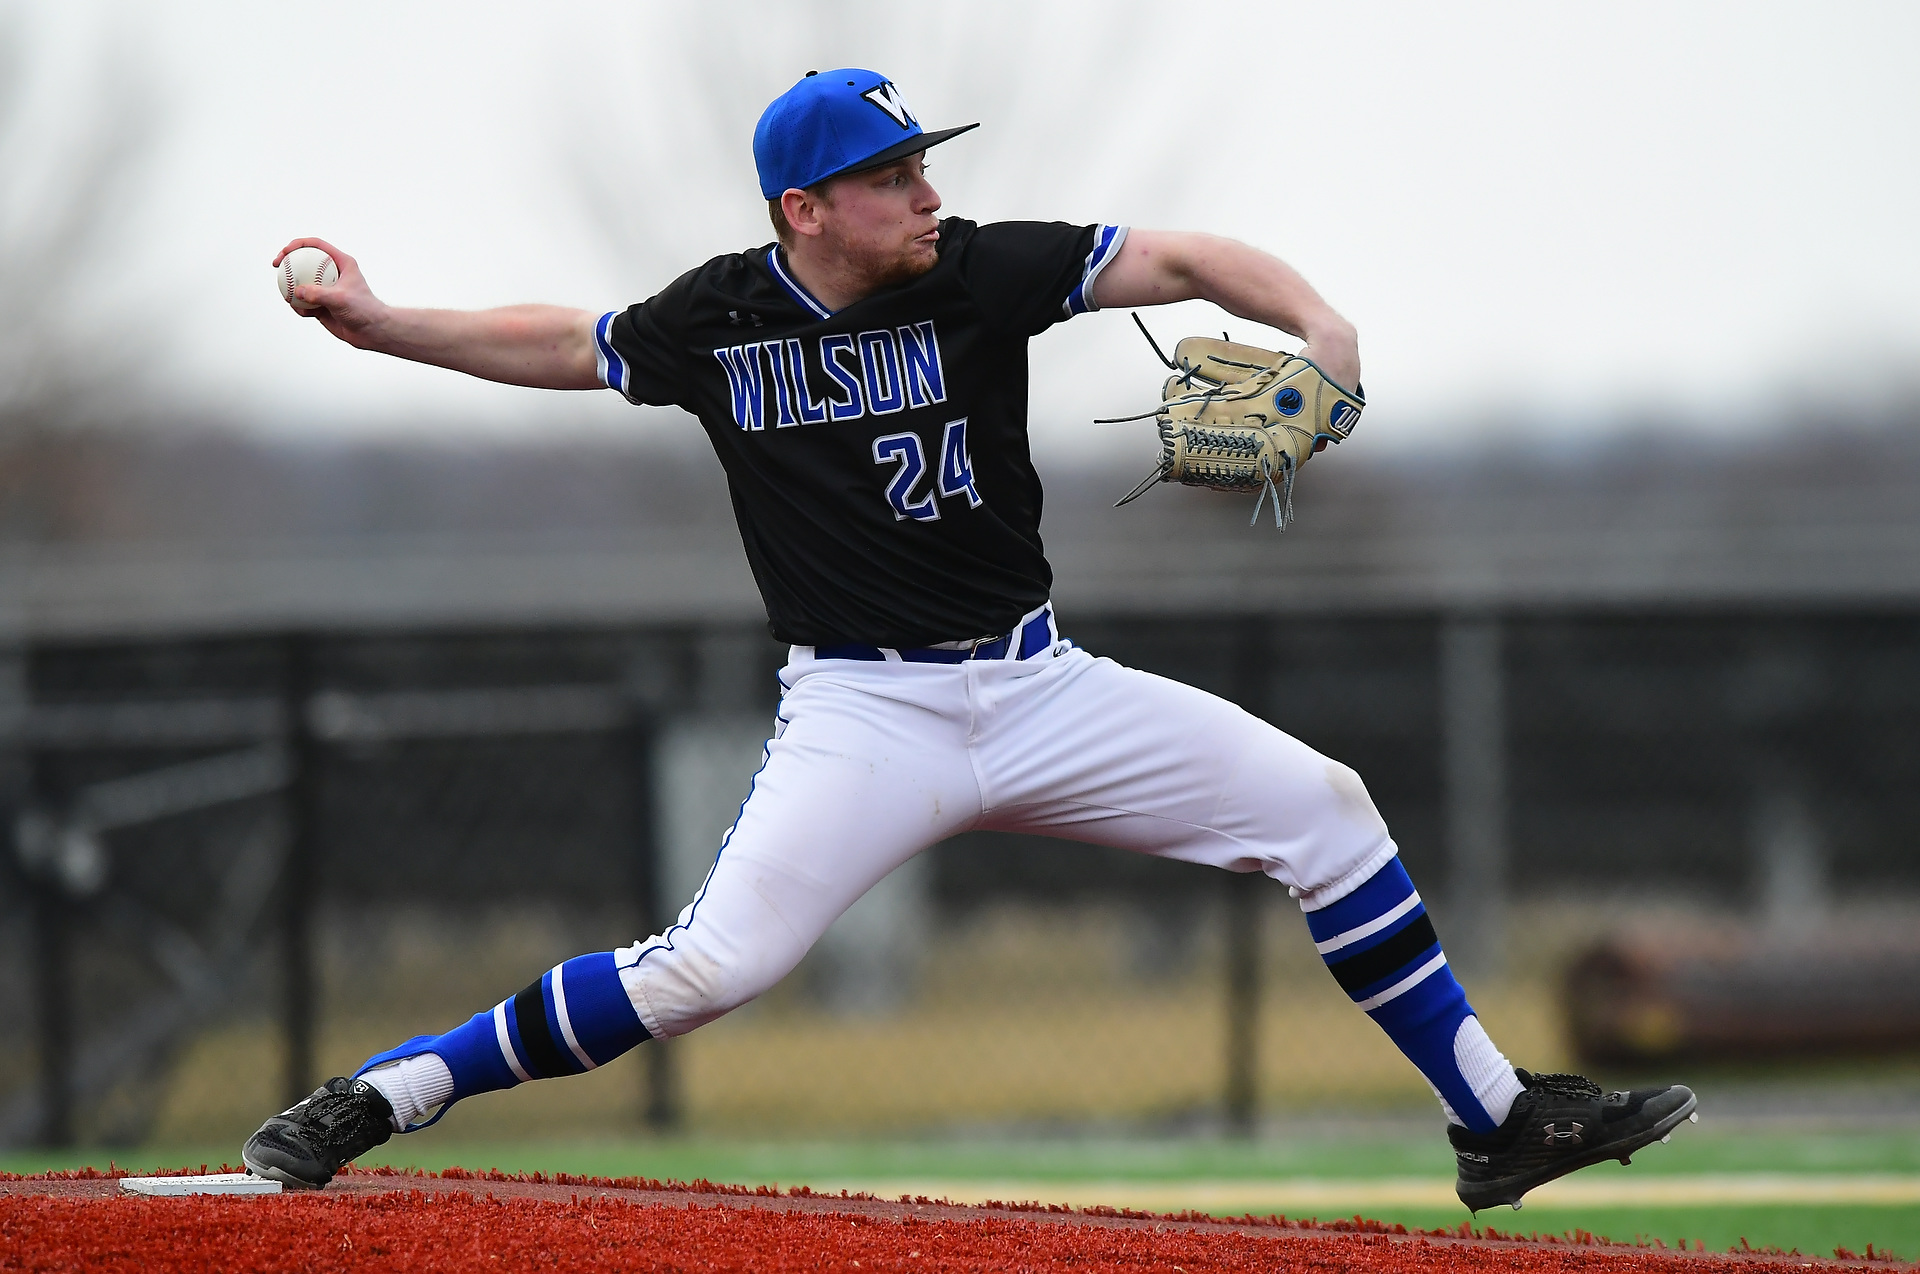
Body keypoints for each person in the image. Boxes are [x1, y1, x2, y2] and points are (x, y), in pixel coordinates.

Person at [242, 68, 1694, 1212]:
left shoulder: (981, 271)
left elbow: (1177, 252)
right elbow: (569, 342)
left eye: (925, 164)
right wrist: (380, 325)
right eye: (893, 175)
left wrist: (1321, 322)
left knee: (1325, 807)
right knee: (706, 970)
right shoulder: (720, 318)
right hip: (865, 718)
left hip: (1038, 682)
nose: (928, 191)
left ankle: (1498, 1119)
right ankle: (394, 1089)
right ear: (804, 206)